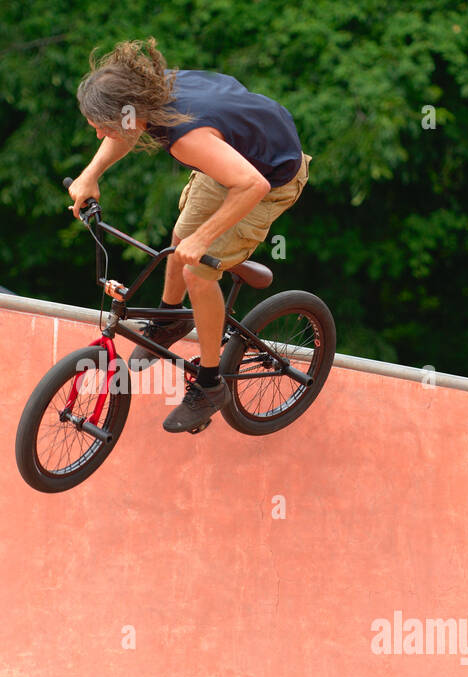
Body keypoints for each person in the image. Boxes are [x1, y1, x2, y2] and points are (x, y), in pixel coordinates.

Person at [67, 38, 311, 433]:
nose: (99, 135)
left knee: (197, 268)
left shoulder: (186, 140)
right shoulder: (149, 89)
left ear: (127, 114)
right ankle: (170, 319)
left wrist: (206, 240)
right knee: (180, 239)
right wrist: (91, 175)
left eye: (102, 127)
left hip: (270, 176)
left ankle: (211, 385)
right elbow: (125, 129)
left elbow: (252, 186)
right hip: (231, 155)